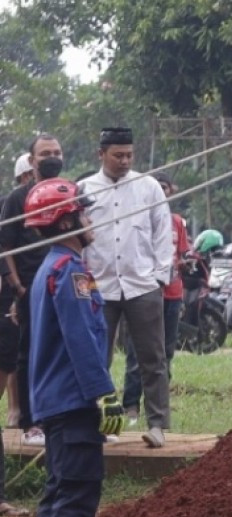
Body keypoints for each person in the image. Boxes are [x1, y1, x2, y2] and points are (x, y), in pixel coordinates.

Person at [25, 177, 123, 517]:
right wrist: (104, 393)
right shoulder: (69, 271)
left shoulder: (51, 268)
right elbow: (81, 337)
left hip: (58, 398)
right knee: (78, 490)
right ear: (66, 221)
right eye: (82, 212)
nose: (89, 218)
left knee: (59, 490)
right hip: (74, 399)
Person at [80, 127, 174, 449]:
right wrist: (82, 284)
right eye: (117, 155)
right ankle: (97, 424)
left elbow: (163, 231)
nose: (124, 161)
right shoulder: (84, 189)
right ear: (101, 154)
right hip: (98, 287)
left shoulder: (148, 187)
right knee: (97, 358)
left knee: (153, 358)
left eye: (128, 155)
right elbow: (78, 240)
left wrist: (160, 276)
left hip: (142, 284)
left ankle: (158, 424)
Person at [1, 133, 67, 447]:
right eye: (45, 153)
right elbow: (5, 245)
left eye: (56, 152)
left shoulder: (69, 191)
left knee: (66, 350)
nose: (51, 157)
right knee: (28, 354)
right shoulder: (17, 198)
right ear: (32, 160)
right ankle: (30, 422)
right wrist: (17, 287)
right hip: (30, 289)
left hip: (66, 286)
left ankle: (63, 418)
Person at [121, 171, 188, 424]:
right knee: (136, 352)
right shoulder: (136, 219)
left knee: (165, 352)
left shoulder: (178, 222)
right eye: (157, 186)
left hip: (172, 293)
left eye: (165, 187)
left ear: (171, 191)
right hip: (143, 292)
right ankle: (130, 405)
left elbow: (181, 255)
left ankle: (159, 408)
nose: (161, 191)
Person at [3, 155, 33, 429]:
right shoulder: (13, 201)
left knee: (16, 349)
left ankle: (21, 408)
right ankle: (15, 408)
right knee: (14, 350)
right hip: (14, 287)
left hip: (24, 285)